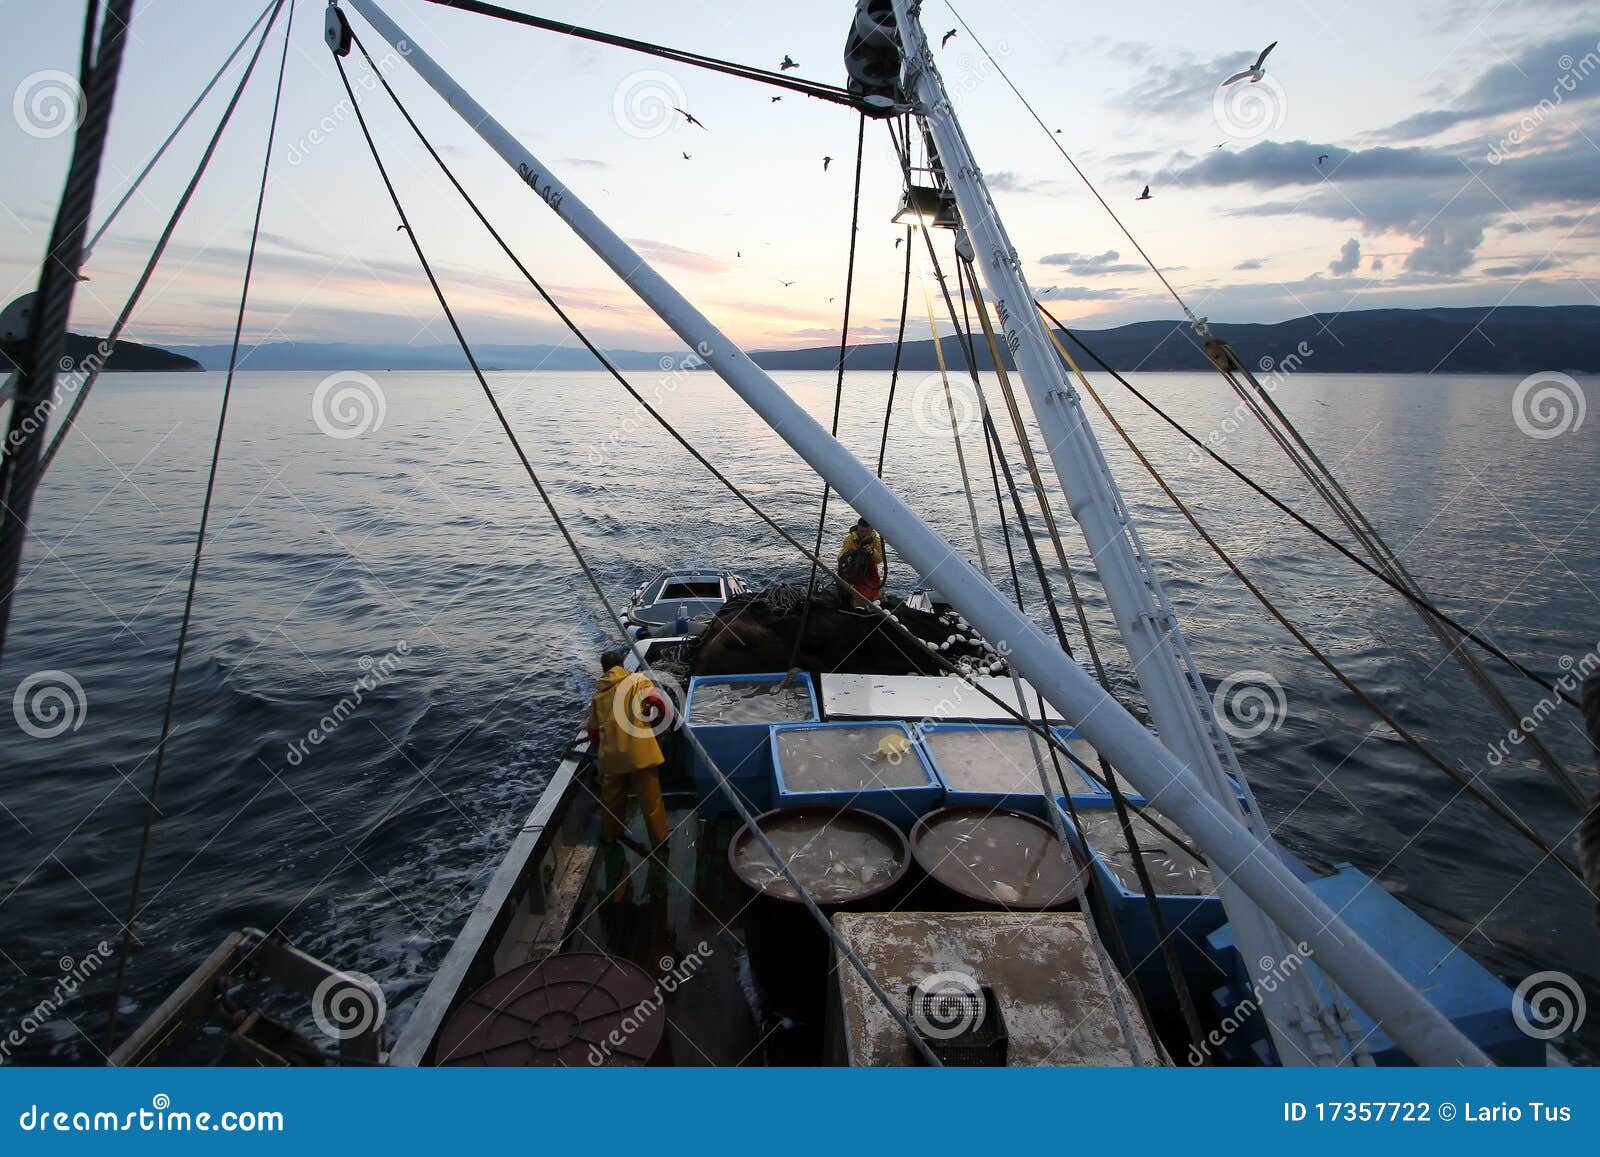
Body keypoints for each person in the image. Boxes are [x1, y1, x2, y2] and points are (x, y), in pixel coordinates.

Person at [584, 647, 670, 853]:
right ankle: (659, 840)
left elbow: (593, 732)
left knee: (612, 796)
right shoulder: (639, 680)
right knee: (650, 797)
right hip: (641, 752)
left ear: (604, 669)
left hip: (612, 757)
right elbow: (658, 705)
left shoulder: (598, 696)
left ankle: (610, 835)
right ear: (623, 665)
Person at [838, 515, 887, 606]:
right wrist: (851, 555)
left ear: (871, 530)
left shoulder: (876, 541)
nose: (864, 534)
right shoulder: (850, 539)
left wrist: (872, 552)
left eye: (866, 531)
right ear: (857, 529)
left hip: (870, 572)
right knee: (857, 598)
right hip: (853, 572)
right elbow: (843, 554)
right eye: (861, 531)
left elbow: (879, 559)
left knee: (879, 596)